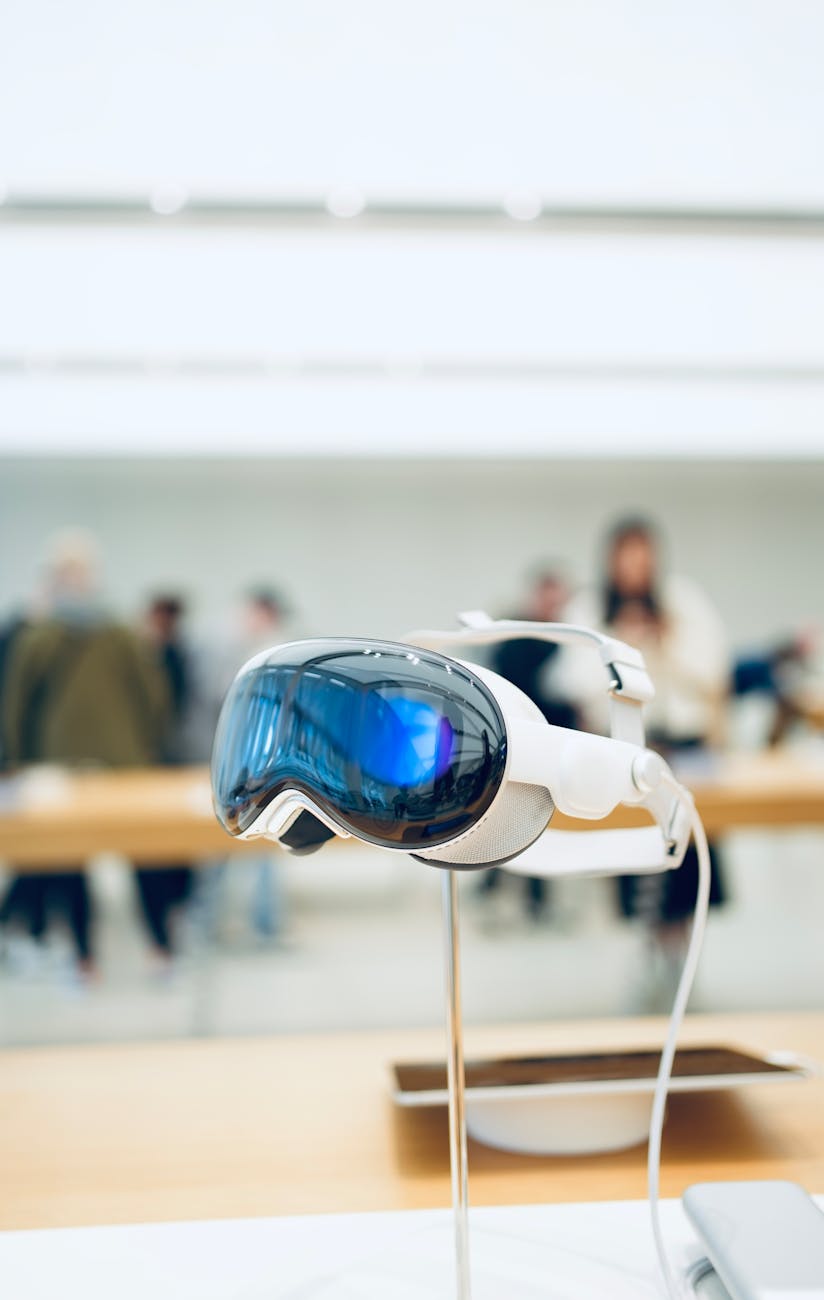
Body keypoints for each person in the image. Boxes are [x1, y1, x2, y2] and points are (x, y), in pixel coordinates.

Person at [562, 518, 729, 1007]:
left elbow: (712, 671)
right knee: (638, 852)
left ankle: (682, 957)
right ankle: (649, 952)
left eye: (643, 557)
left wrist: (665, 642)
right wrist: (624, 648)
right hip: (626, 750)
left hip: (685, 747)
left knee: (688, 852)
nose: (635, 568)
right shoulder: (590, 608)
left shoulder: (683, 602)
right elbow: (576, 683)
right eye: (626, 558)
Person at [1, 531, 171, 978]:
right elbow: (153, 698)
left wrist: (19, 756)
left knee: (107, 860)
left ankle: (98, 960)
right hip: (100, 767)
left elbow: (17, 707)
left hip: (78, 768)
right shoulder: (113, 634)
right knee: (100, 862)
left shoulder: (48, 636)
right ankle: (138, 954)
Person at [480, 568, 579, 920]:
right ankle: (497, 890)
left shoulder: (565, 641)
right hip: (518, 744)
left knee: (534, 819)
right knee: (509, 818)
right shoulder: (516, 638)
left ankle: (532, 900)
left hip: (549, 745)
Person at [132, 595, 194, 967]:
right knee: (147, 857)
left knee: (181, 855)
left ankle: (175, 919)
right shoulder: (135, 655)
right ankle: (160, 941)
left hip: (177, 767)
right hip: (142, 769)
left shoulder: (181, 655)